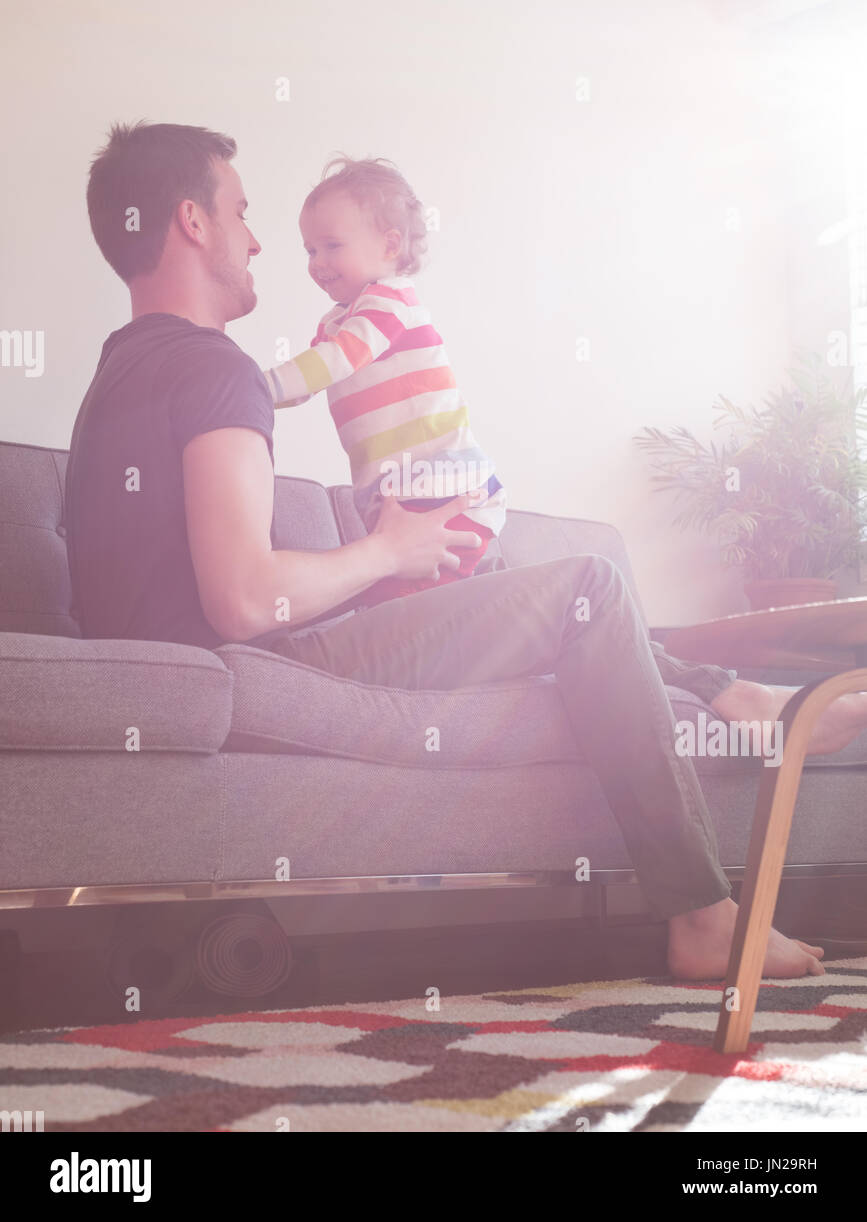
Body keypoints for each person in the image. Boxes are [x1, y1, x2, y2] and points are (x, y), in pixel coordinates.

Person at [68, 121, 866, 981]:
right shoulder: (215, 370)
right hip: (257, 661)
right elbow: (246, 601)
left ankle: (735, 694)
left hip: (215, 659)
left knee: (553, 610)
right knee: (586, 588)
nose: (258, 240)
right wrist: (386, 549)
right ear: (192, 222)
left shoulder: (112, 380)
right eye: (242, 212)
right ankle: (706, 912)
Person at [263, 155, 505, 606]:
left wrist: (255, 386)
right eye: (310, 250)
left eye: (332, 246)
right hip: (404, 501)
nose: (317, 263)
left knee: (405, 612)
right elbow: (310, 380)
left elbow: (337, 361)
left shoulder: (389, 301)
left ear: (390, 246)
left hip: (445, 494)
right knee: (395, 605)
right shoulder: (338, 322)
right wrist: (249, 398)